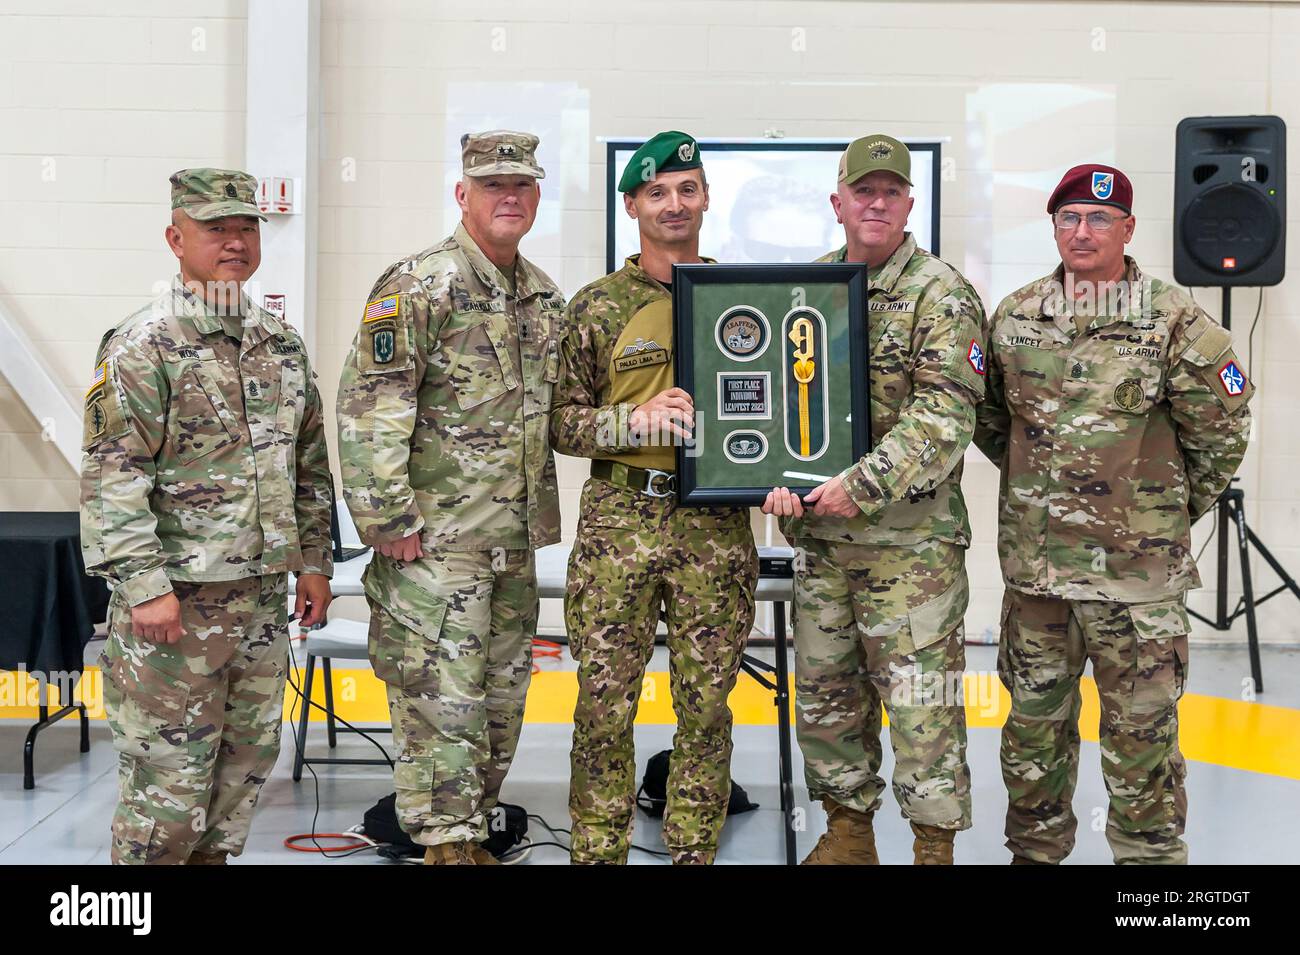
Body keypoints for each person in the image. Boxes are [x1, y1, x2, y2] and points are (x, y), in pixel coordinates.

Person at [973, 163, 1254, 865]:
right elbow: (990, 421)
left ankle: (1149, 870)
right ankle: (1035, 854)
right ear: (1054, 227)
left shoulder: (1174, 319)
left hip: (1138, 584)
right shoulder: (1015, 315)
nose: (1082, 230)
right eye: (1068, 217)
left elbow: (1221, 432)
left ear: (1128, 229)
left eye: (1099, 218)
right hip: (1039, 583)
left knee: (1143, 738)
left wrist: (1160, 512)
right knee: (1034, 735)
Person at [81, 167, 334, 864]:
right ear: (175, 237)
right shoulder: (143, 344)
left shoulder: (278, 342)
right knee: (167, 796)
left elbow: (307, 463)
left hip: (260, 603)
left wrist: (313, 562)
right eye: (216, 227)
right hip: (175, 609)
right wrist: (143, 586)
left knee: (238, 779)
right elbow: (113, 475)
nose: (235, 241)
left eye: (246, 226)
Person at [336, 131, 565, 865]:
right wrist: (387, 522)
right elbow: (371, 408)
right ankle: (447, 848)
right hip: (435, 550)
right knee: (441, 714)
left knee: (499, 710)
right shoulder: (419, 284)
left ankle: (470, 837)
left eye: (522, 184)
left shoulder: (541, 296)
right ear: (461, 193)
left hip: (512, 546)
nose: (509, 195)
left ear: (536, 197)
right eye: (493, 183)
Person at [762, 134, 986, 864]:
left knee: (923, 711)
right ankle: (849, 834)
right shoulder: (807, 294)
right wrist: (774, 477)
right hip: (824, 548)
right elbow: (779, 409)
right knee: (827, 703)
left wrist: (859, 486)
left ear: (911, 202)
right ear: (839, 202)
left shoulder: (941, 294)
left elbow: (945, 418)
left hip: (911, 552)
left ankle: (932, 847)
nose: (878, 201)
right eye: (865, 190)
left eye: (892, 190)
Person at [551, 130, 758, 865]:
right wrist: (628, 420)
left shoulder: (743, 300)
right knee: (605, 706)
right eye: (658, 192)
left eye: (688, 188)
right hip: (619, 521)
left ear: (706, 198)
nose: (675, 203)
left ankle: (693, 850)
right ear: (633, 204)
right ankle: (597, 852)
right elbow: (559, 421)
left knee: (706, 708)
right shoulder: (598, 306)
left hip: (716, 524)